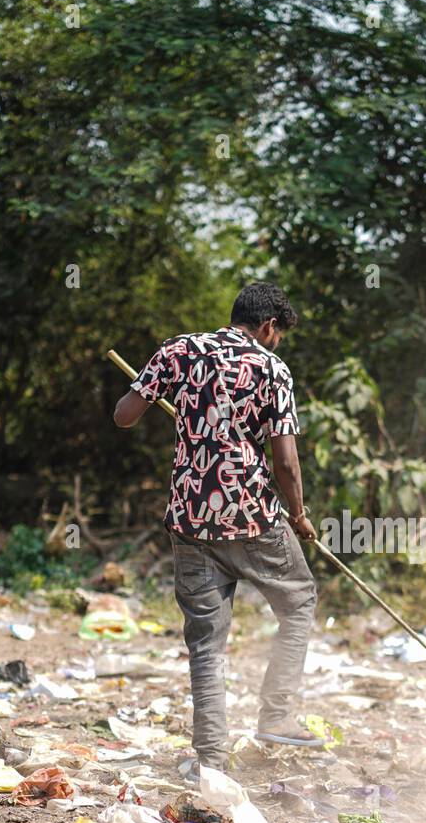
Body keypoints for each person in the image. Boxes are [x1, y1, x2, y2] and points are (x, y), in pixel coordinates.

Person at [113, 281, 323, 772]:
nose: (277, 343)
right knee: (298, 600)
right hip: (251, 513)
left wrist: (186, 410)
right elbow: (286, 462)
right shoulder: (272, 369)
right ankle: (278, 715)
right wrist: (299, 514)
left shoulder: (178, 351)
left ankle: (210, 758)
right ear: (268, 326)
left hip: (190, 517)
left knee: (206, 641)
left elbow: (124, 416)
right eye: (278, 334)